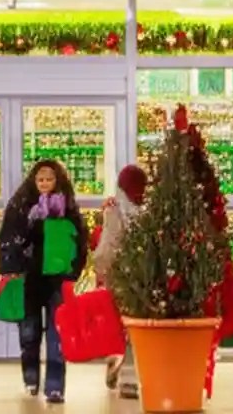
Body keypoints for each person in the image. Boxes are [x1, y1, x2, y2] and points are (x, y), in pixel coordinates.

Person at [0, 159, 88, 405]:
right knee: (29, 333)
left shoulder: (68, 207)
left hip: (57, 281)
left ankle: (55, 387)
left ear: (58, 180)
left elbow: (80, 241)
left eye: (49, 179)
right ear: (34, 181)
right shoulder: (20, 206)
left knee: (58, 334)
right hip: (28, 279)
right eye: (41, 179)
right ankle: (30, 378)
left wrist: (73, 272)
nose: (45, 183)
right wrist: (10, 269)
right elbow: (8, 238)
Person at [92, 164, 148, 400]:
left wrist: (101, 270)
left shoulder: (114, 211)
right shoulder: (151, 210)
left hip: (118, 276)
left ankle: (115, 361)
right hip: (144, 277)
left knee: (117, 324)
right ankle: (130, 378)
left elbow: (108, 245)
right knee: (135, 326)